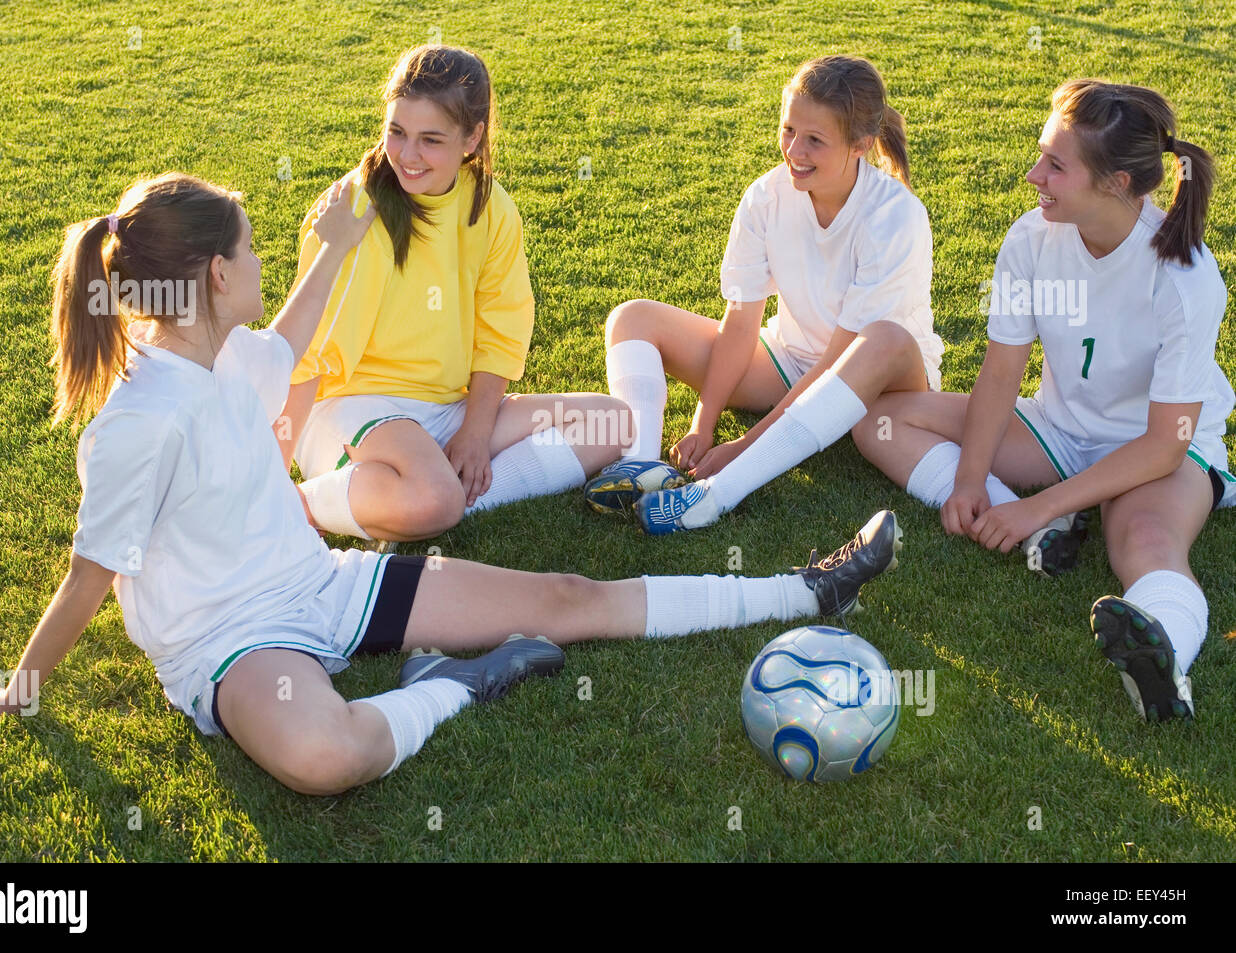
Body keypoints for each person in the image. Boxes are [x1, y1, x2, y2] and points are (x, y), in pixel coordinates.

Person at [0, 172, 904, 796]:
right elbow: (89, 578)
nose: (266, 262)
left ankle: (807, 586)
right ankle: (452, 686)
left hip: (323, 584)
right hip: (234, 644)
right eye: (254, 248)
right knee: (326, 758)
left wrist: (339, 241)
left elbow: (296, 332)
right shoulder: (136, 422)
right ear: (214, 271)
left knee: (570, 598)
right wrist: (20, 689)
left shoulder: (227, 356)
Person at [855, 80, 1233, 723]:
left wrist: (1042, 503)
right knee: (881, 419)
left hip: (1156, 454)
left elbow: (1166, 440)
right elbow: (1002, 373)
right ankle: (1037, 529)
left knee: (1142, 543)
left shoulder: (1185, 278)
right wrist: (971, 479)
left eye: (1056, 165)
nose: (1035, 176)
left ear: (1116, 182)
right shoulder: (1032, 239)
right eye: (1041, 156)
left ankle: (1166, 652)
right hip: (1056, 431)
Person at [278, 45, 629, 546]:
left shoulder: (491, 207)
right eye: (396, 132)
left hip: (447, 410)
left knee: (610, 424)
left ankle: (424, 494)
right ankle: (304, 503)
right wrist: (271, 478)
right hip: (356, 409)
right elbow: (311, 354)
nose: (408, 155)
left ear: (473, 137)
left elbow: (500, 328)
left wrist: (475, 433)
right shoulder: (355, 210)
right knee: (436, 498)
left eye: (431, 140)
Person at [596, 55, 943, 533]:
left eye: (815, 140)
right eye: (788, 131)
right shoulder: (766, 195)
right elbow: (740, 323)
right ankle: (639, 465)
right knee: (631, 318)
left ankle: (719, 493)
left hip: (885, 382)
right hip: (789, 361)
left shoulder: (895, 216)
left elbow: (837, 360)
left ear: (861, 145)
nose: (794, 150)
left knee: (879, 340)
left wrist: (745, 445)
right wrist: (705, 420)